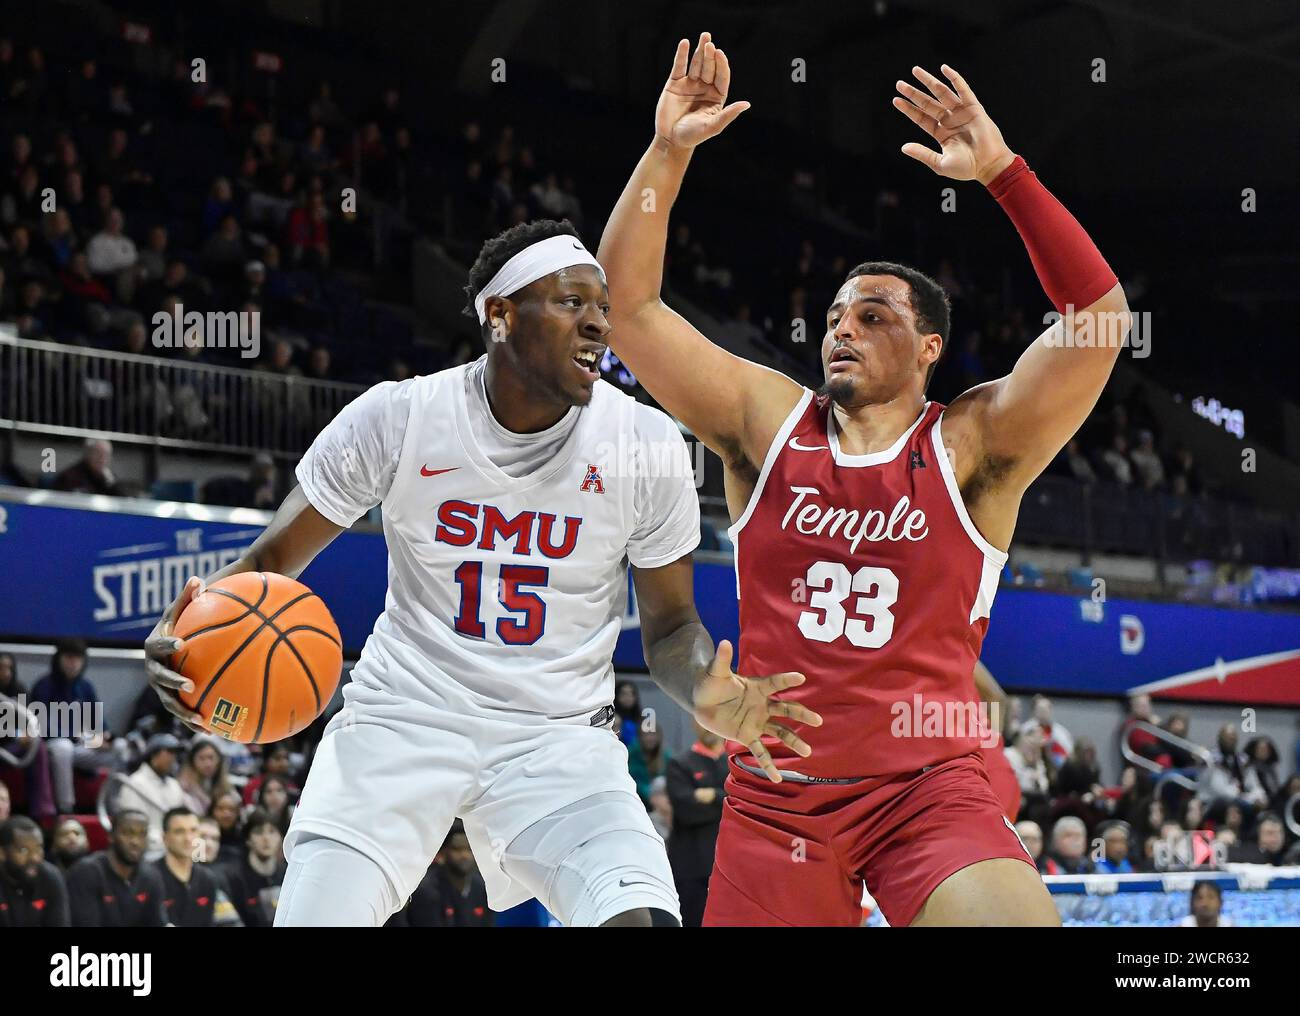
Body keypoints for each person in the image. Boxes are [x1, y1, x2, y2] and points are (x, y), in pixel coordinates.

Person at [143, 219, 815, 928]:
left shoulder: (644, 444)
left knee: (640, 921)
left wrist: (703, 687)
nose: (597, 325)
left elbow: (674, 627)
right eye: (571, 303)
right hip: (403, 720)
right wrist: (190, 631)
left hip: (557, 741)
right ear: (499, 314)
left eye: (604, 310)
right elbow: (269, 564)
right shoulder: (399, 417)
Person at [598, 33, 1127, 925]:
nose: (842, 329)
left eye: (873, 315)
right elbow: (627, 305)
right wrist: (667, 150)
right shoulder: (767, 424)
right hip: (778, 796)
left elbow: (1100, 322)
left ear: (929, 349)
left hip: (927, 791)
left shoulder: (972, 445)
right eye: (836, 315)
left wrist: (1002, 172)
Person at [28, 637, 118, 813]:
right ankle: (65, 807)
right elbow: (42, 727)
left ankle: (113, 806)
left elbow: (99, 722)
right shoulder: (44, 686)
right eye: (69, 658)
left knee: (121, 748)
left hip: (83, 748)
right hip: (53, 745)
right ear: (59, 659)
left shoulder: (85, 687)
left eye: (77, 659)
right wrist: (81, 738)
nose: (73, 663)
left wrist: (106, 738)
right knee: (64, 747)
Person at [666, 723, 728, 927]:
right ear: (694, 723)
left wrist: (713, 796)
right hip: (691, 869)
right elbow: (686, 811)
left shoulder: (735, 763)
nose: (711, 728)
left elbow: (750, 803)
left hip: (731, 866)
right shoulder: (679, 763)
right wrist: (726, 801)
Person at [65, 810, 166, 926]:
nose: (135, 841)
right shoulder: (86, 872)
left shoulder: (151, 876)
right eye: (127, 833)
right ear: (111, 836)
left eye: (142, 834)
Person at [387, 820, 492, 927]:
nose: (464, 855)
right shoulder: (425, 889)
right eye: (457, 849)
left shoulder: (482, 887)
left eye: (469, 849)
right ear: (442, 852)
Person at [113, 732, 185, 856]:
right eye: (169, 752)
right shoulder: (134, 784)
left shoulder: (175, 785)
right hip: (145, 851)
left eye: (175, 754)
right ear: (153, 754)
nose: (173, 758)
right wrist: (168, 841)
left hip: (172, 848)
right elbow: (132, 826)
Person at [152, 807, 218, 927]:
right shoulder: (149, 877)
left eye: (193, 830)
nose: (188, 838)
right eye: (179, 831)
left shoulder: (207, 879)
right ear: (164, 838)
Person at [0, 815, 70, 927]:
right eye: (23, 850)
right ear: (2, 853)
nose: (35, 857)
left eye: (38, 848)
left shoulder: (51, 877)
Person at [223, 809, 287, 928]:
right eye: (258, 832)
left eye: (272, 832)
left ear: (280, 838)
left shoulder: (288, 873)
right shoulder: (233, 877)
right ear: (248, 840)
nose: (266, 838)